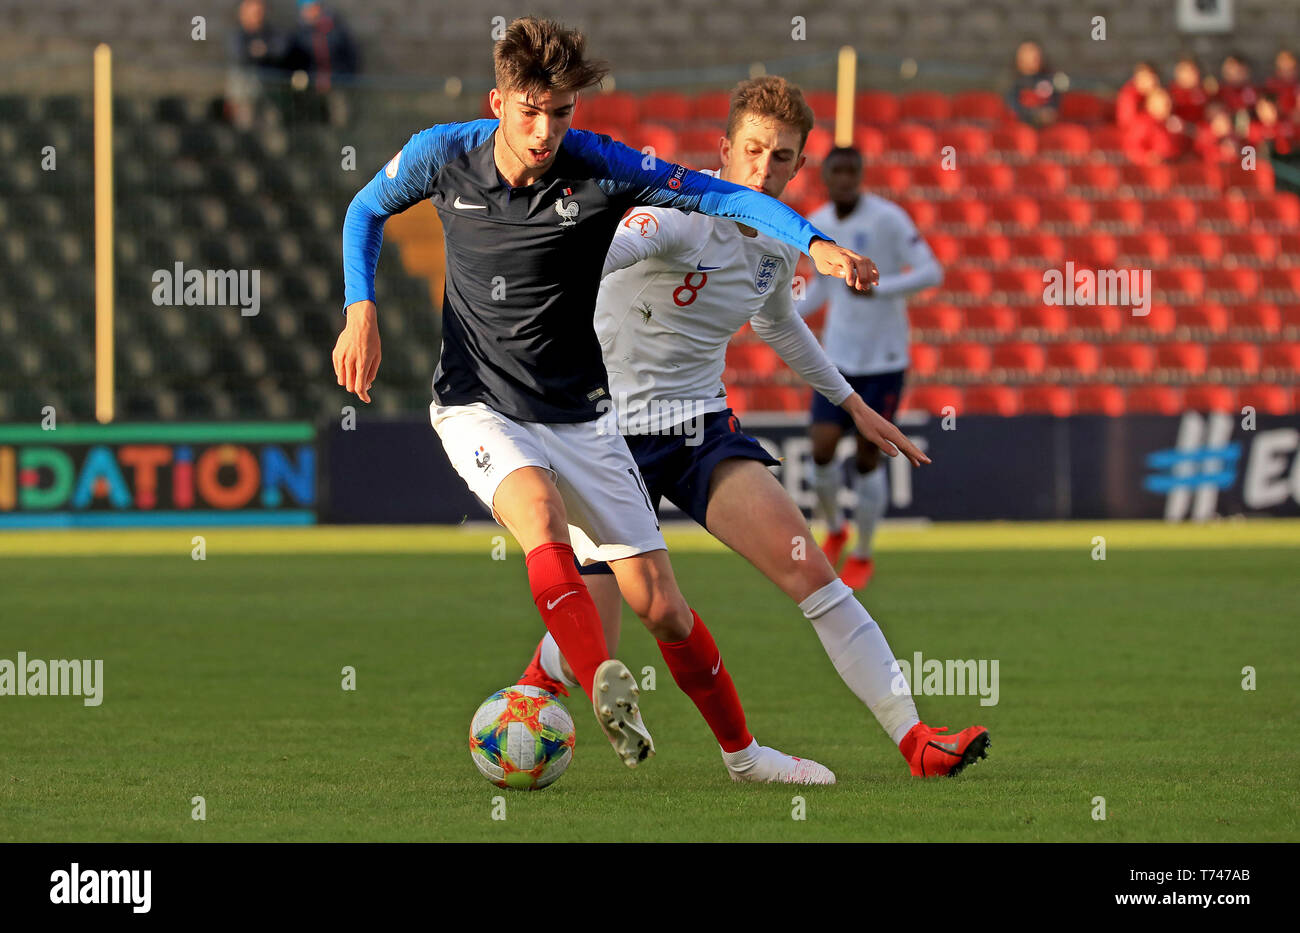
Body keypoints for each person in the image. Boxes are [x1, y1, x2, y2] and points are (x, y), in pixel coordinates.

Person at [333, 18, 880, 780]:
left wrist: (815, 245)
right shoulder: (442, 153)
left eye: (560, 113)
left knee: (663, 605)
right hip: (477, 402)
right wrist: (361, 309)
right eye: (529, 110)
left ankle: (745, 758)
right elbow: (365, 210)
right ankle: (596, 679)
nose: (544, 129)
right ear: (497, 102)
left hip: (584, 415)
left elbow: (721, 195)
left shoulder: (601, 166)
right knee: (539, 516)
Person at [516, 75, 989, 780]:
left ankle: (916, 739)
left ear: (800, 166)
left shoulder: (776, 246)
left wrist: (852, 403)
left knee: (812, 571)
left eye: (783, 157)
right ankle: (532, 694)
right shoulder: (673, 215)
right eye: (754, 150)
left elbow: (778, 322)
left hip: (698, 430)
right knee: (600, 637)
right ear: (725, 150)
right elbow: (591, 258)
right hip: (606, 436)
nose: (766, 169)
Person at [798, 146, 943, 590]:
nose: (843, 179)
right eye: (836, 172)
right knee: (821, 447)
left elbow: (931, 272)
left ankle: (862, 552)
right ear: (825, 177)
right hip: (837, 357)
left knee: (867, 457)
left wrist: (879, 290)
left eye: (850, 172)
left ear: (860, 175)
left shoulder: (887, 218)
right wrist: (786, 311)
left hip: (884, 360)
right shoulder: (819, 222)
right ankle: (835, 527)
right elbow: (822, 290)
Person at [226, 0, 287, 130]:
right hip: (244, 96)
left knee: (272, 129)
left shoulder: (271, 33)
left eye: (259, 12)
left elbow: (280, 51)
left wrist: (260, 51)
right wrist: (263, 51)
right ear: (243, 13)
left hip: (270, 95)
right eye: (253, 12)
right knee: (247, 131)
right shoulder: (237, 35)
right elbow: (239, 55)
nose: (257, 15)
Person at [1008, 40, 1059, 127]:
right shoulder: (1012, 83)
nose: (1030, 57)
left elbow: (1054, 105)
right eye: (1025, 53)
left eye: (1033, 53)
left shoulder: (1049, 80)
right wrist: (1034, 116)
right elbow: (1012, 108)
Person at [1116, 61, 1160, 129]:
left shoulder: (1152, 93)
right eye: (1148, 78)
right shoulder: (1130, 97)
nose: (1153, 82)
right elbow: (1127, 123)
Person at [1169, 57, 1209, 125]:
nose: (1190, 74)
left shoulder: (1205, 92)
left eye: (1192, 70)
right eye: (1185, 71)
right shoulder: (1170, 95)